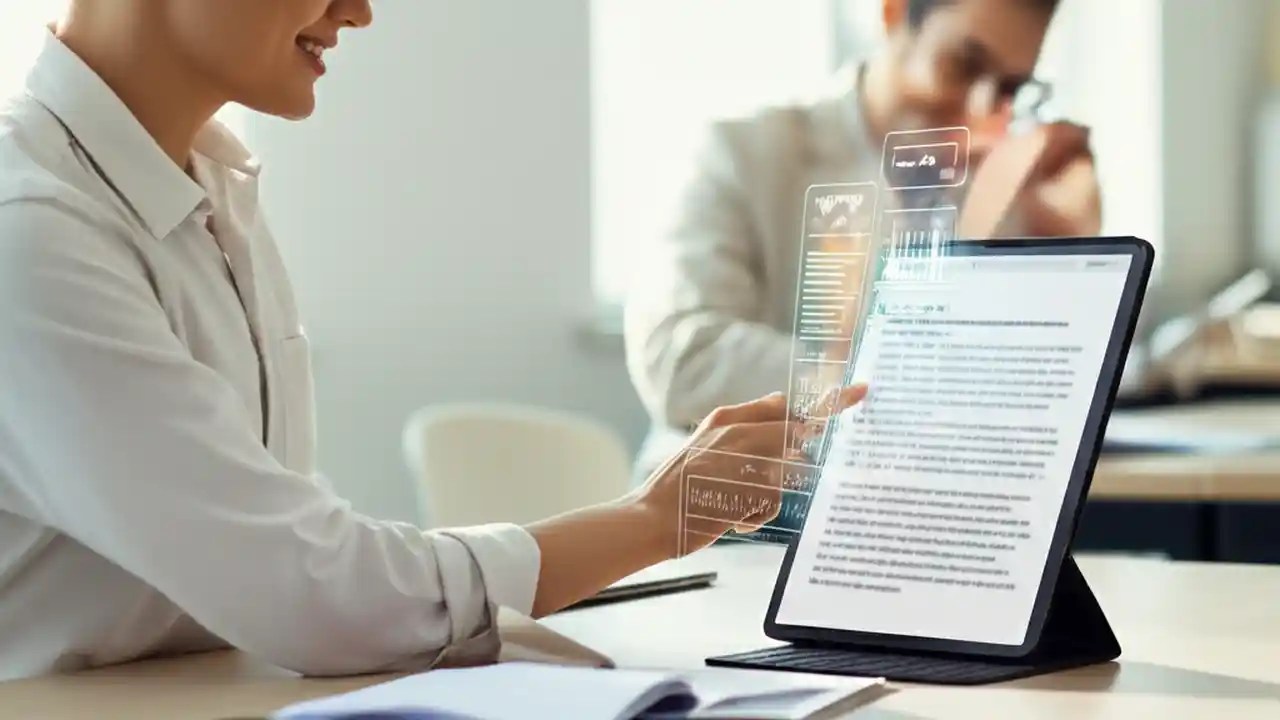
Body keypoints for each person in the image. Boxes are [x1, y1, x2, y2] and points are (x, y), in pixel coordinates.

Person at [0, 0, 864, 680]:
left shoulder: (210, 192)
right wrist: (652, 519)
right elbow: (313, 592)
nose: (359, 9)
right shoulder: (32, 231)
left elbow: (289, 545)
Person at [626, 0, 1100, 479]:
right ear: (894, 14)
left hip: (926, 507)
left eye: (1008, 87)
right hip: (733, 518)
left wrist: (1070, 247)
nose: (980, 107)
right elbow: (681, 358)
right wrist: (893, 378)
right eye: (964, 63)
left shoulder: (1004, 194)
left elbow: (1038, 391)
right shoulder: (742, 154)